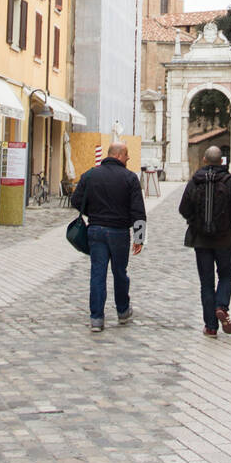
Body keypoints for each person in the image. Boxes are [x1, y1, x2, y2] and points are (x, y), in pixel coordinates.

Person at [71, 142, 146, 332]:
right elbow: (138, 210)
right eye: (127, 154)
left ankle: (96, 318)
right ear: (119, 155)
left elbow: (76, 200)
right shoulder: (130, 178)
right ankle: (122, 311)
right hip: (119, 231)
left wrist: (92, 213)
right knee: (120, 272)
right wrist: (139, 237)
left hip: (95, 230)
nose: (129, 158)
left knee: (98, 273)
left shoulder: (90, 175)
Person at [179, 145, 231, 338]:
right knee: (226, 276)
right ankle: (222, 306)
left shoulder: (195, 181)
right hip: (225, 238)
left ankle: (210, 327)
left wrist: (195, 219)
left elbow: (183, 208)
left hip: (201, 240)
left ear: (204, 160)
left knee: (206, 283)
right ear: (222, 161)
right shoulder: (229, 181)